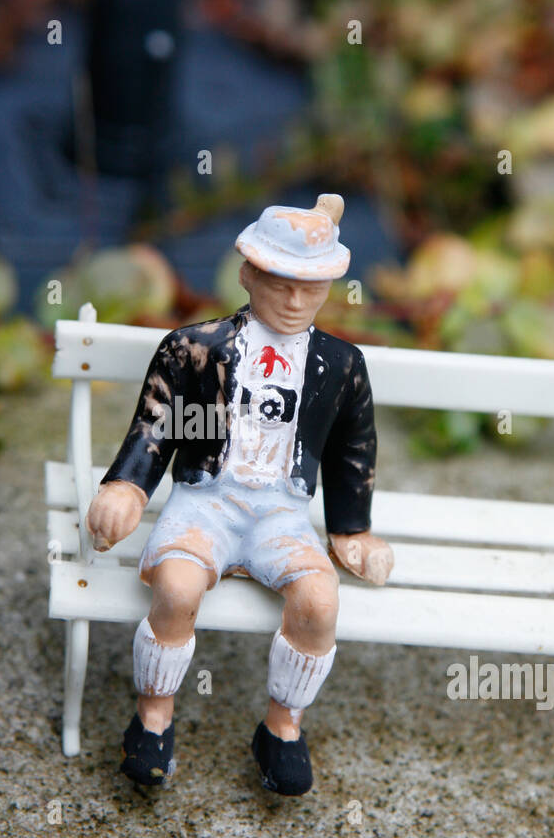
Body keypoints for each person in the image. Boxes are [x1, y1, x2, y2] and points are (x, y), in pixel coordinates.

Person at [86, 194, 394, 795]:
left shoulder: (340, 365)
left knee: (319, 601)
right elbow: (157, 424)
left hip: (282, 513)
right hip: (206, 503)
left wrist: (350, 529)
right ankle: (153, 717)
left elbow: (353, 450)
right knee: (177, 589)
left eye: (311, 287)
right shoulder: (195, 348)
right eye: (280, 283)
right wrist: (127, 486)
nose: (295, 301)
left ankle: (283, 726)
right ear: (248, 274)